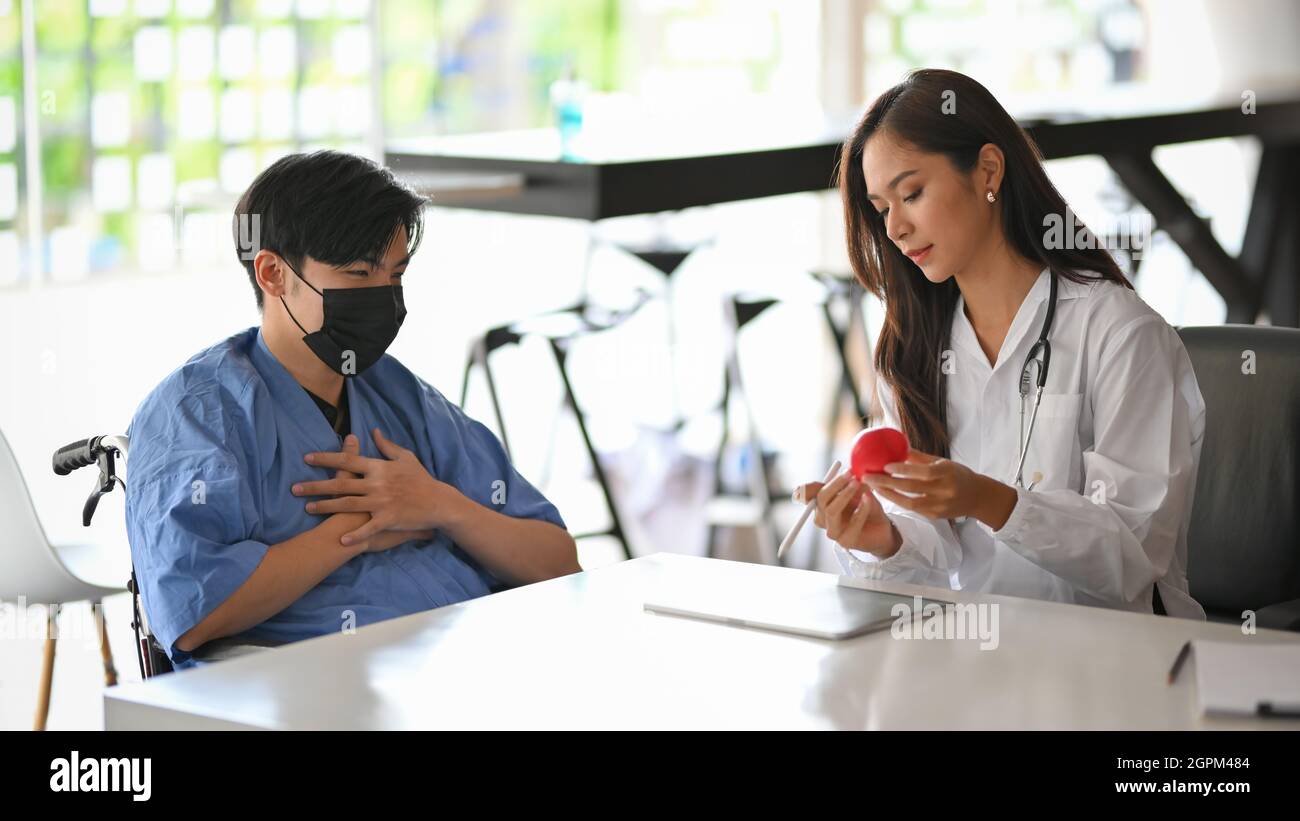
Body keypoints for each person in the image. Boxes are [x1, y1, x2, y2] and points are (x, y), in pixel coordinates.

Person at [125, 151, 580, 669]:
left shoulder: (396, 393)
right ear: (273, 273)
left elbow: (557, 559)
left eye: (396, 274)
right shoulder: (199, 412)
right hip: (315, 687)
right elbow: (192, 612)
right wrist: (357, 529)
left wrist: (436, 504)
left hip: (468, 659)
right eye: (359, 273)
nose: (384, 298)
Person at [797, 69, 1205, 619]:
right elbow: (933, 564)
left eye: (912, 193)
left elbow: (1131, 558)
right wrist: (884, 539)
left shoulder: (1119, 332)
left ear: (987, 170)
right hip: (978, 659)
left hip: (1113, 665)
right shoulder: (913, 348)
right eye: (882, 208)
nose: (895, 229)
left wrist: (986, 499)